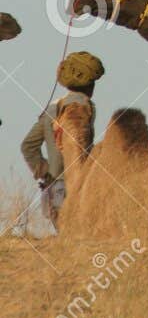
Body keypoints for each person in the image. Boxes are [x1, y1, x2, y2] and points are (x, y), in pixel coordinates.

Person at [21, 52, 104, 228]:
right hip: (77, 188)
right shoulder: (83, 108)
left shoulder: (52, 109)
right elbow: (80, 147)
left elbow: (28, 146)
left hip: (52, 189)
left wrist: (46, 173)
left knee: (65, 237)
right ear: (91, 84)